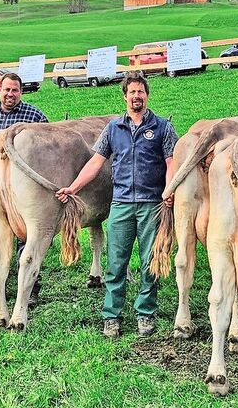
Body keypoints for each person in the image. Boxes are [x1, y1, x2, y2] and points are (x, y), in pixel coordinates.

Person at [57, 74, 176, 338]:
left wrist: (169, 190)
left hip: (150, 204)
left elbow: (171, 164)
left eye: (141, 92)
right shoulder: (113, 129)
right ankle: (112, 315)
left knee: (150, 263)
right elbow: (96, 162)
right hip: (120, 205)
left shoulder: (162, 128)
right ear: (125, 96)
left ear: (147, 95)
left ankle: (145, 314)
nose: (137, 96)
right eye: (132, 92)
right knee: (115, 263)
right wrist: (73, 188)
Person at [0, 71, 48, 307]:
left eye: (15, 90)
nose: (10, 94)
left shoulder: (35, 117)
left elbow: (47, 156)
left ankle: (30, 288)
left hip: (26, 194)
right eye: (6, 89)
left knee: (29, 241)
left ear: (20, 92)